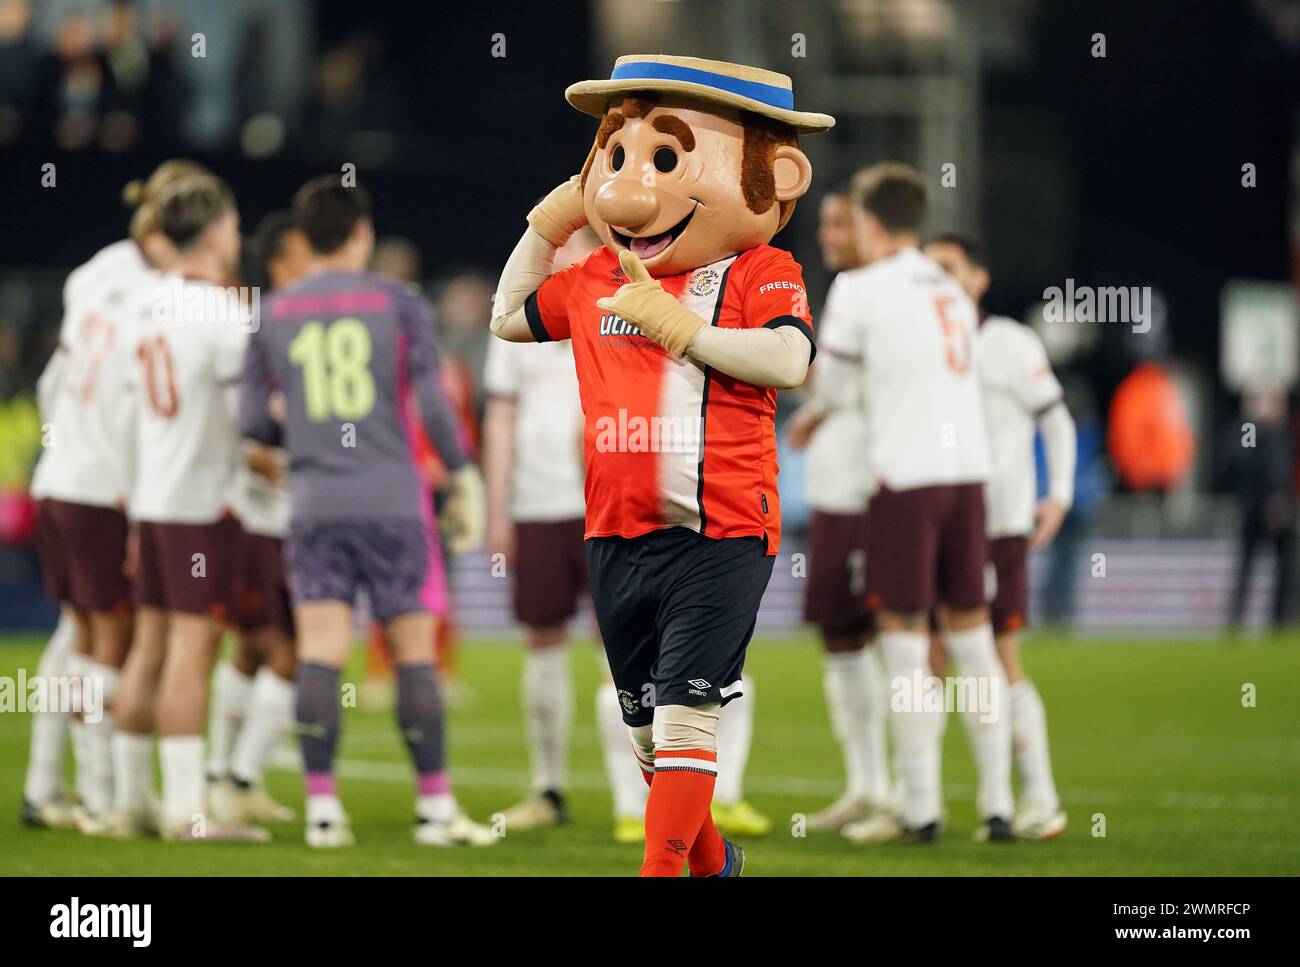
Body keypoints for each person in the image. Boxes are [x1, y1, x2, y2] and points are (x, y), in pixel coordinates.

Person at [492, 55, 834, 876]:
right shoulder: (597, 276)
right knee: (646, 734)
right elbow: (508, 315)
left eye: (666, 158)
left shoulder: (760, 270)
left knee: (687, 719)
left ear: (775, 174)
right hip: (615, 530)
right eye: (616, 158)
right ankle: (716, 864)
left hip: (721, 530)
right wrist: (550, 221)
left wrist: (686, 332)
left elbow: (790, 361)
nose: (631, 188)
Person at [238, 175, 492, 848]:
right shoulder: (398, 301)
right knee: (414, 657)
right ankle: (435, 809)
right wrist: (464, 472)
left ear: (304, 235)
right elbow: (434, 403)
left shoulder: (275, 311)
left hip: (315, 500)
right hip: (391, 499)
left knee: (320, 652)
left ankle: (323, 810)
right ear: (361, 232)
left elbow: (250, 425)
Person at [818, 164, 1013, 845]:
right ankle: (998, 803)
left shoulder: (859, 286)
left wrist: (811, 414)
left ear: (870, 222)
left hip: (907, 477)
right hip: (969, 478)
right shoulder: (949, 288)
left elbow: (835, 385)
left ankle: (921, 806)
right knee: (974, 641)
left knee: (903, 645)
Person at [26, 159, 202, 832]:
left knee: (77, 630)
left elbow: (57, 381)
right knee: (108, 637)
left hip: (63, 471)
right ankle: (100, 793)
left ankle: (47, 783)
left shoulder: (93, 276)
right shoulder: (156, 292)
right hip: (104, 481)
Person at [111, 172, 266, 841]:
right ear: (211, 231)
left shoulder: (144, 303)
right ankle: (184, 809)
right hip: (201, 504)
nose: (236, 236)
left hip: (151, 496)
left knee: (146, 646)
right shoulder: (222, 311)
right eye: (231, 223)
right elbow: (250, 425)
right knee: (190, 651)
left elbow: (126, 412)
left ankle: (130, 800)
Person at [485, 226, 648, 842]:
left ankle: (635, 799)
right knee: (543, 642)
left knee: (623, 650)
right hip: (540, 505)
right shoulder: (518, 321)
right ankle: (548, 786)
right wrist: (499, 509)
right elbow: (500, 418)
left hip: (610, 504)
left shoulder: (622, 301)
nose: (568, 255)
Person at [925, 231, 1075, 840]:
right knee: (926, 664)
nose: (938, 280)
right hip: (932, 524)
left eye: (950, 268)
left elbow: (1056, 417)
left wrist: (1058, 493)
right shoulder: (920, 341)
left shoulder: (1010, 341)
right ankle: (919, 802)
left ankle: (1037, 797)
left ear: (979, 277)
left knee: (999, 658)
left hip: (998, 525)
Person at [785, 186, 893, 831]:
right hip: (833, 492)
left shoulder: (874, 296)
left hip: (870, 492)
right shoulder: (849, 299)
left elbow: (851, 387)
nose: (825, 235)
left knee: (902, 637)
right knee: (840, 635)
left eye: (838, 224)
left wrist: (818, 404)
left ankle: (909, 791)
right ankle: (866, 785)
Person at [207, 211, 311, 826]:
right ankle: (236, 775)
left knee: (251, 647)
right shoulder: (269, 328)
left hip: (264, 516)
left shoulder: (271, 325)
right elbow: (244, 429)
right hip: (272, 515)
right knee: (288, 649)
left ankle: (226, 775)